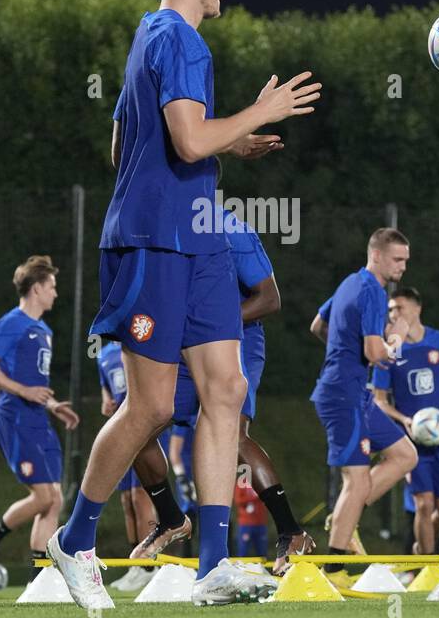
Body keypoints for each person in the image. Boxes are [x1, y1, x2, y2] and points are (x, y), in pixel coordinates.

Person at [49, 0, 318, 609]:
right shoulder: (183, 39)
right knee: (153, 405)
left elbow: (126, 142)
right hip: (156, 240)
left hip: (197, 239)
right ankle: (75, 539)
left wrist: (228, 145)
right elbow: (188, 136)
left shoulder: (150, 36)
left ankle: (214, 566)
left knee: (225, 388)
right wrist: (259, 110)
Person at [126, 210, 314, 575]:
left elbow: (269, 298)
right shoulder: (162, 228)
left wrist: (209, 327)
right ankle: (170, 518)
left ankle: (291, 531)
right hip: (181, 345)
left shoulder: (230, 229)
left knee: (231, 435)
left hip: (236, 339)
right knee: (133, 424)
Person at [311, 228, 418, 582]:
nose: (403, 266)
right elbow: (376, 354)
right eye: (397, 259)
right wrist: (398, 338)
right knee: (355, 484)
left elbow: (318, 325)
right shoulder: (372, 289)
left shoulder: (349, 283)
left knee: (406, 455)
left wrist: (343, 350)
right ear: (376, 256)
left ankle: (346, 515)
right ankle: (334, 568)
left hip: (356, 394)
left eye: (405, 259)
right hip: (344, 395)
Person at [0, 256, 79, 584]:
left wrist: (52, 405)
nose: (55, 294)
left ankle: (39, 582)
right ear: (36, 289)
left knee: (54, 500)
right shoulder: (13, 323)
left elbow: (32, 383)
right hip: (14, 417)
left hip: (37, 418)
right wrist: (24, 392)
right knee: (45, 497)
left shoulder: (43, 329)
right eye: (52, 288)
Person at [371, 287, 439, 556]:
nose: (394, 314)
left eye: (399, 308)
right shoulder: (389, 351)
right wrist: (405, 419)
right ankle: (428, 566)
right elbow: (379, 401)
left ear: (417, 309)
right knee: (423, 505)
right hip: (412, 444)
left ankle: (421, 547)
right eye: (390, 310)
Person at [98, 340, 161, 592]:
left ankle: (149, 565)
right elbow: (106, 388)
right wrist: (107, 402)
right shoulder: (104, 354)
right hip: (122, 428)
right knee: (127, 500)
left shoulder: (139, 344)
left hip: (144, 426)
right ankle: (135, 565)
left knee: (140, 497)